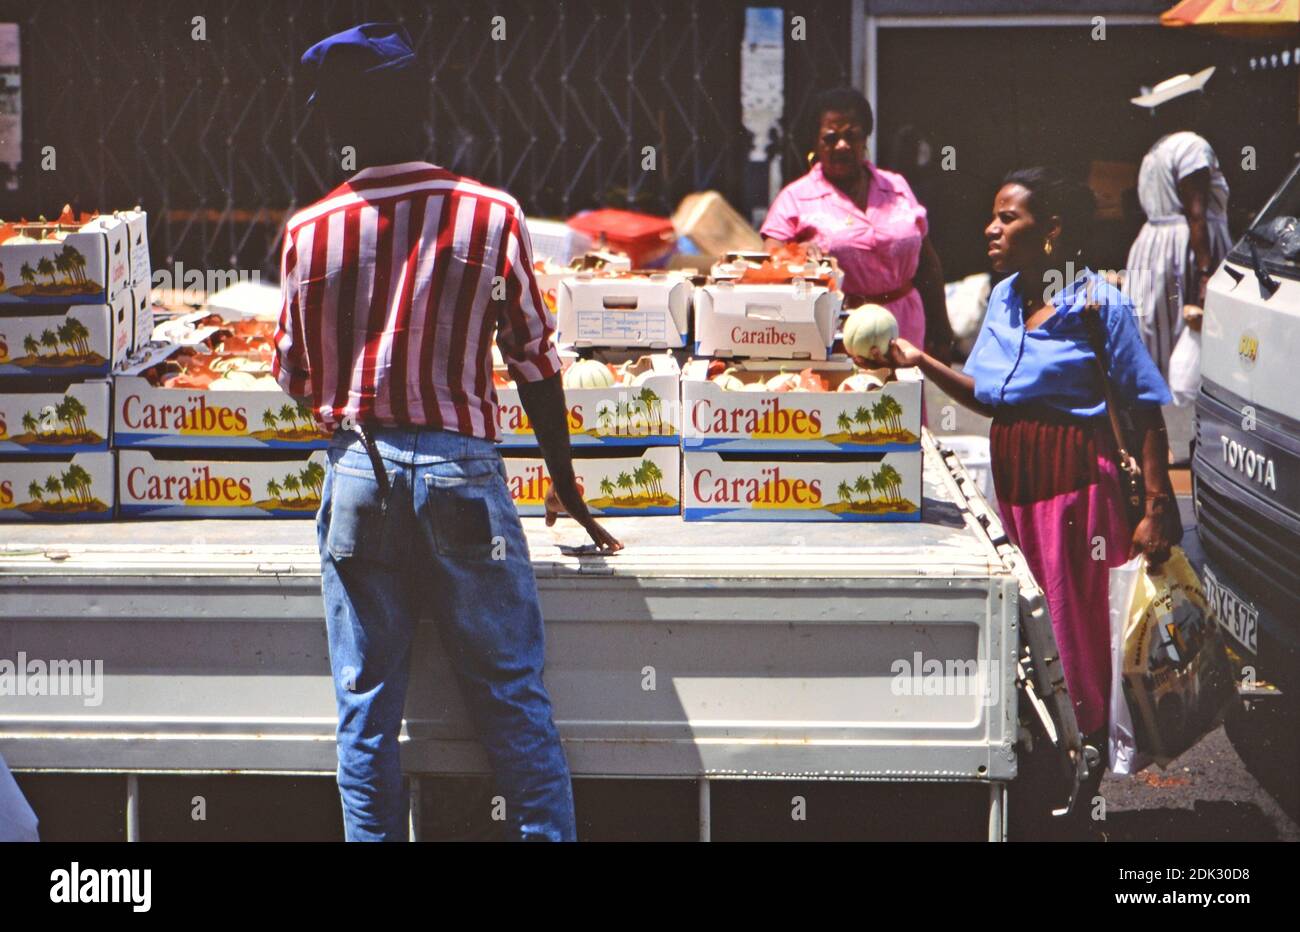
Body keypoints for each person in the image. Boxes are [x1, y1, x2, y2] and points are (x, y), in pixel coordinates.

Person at [278, 23, 621, 842]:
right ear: (420, 105)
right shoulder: (490, 213)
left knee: (365, 712)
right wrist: (564, 483)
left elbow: (296, 377)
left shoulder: (310, 231)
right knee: (510, 698)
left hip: (358, 475)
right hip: (462, 478)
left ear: (349, 121)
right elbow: (535, 359)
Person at [855, 167, 1183, 786]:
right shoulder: (1004, 297)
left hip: (1076, 485)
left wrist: (1158, 504)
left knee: (1073, 632)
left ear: (1052, 231)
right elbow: (987, 395)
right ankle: (1057, 764)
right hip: (1018, 484)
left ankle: (1083, 773)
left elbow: (1144, 407)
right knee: (1035, 632)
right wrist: (917, 359)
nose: (991, 227)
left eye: (1009, 218)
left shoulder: (1099, 304)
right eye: (995, 216)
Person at [761, 87, 953, 363]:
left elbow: (926, 262)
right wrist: (797, 253)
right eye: (830, 138)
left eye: (852, 135)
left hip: (904, 328)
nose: (842, 145)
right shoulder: (795, 198)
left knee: (902, 403)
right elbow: (771, 262)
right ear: (816, 143)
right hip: (839, 334)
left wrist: (941, 326)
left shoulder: (896, 187)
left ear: (865, 138)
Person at [1124, 67, 1231, 381]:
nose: (1205, 106)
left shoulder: (1156, 150)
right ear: (1186, 106)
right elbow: (1196, 213)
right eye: (1198, 100)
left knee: (1160, 327)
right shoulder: (1192, 146)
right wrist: (1205, 272)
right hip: (1188, 246)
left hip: (1152, 244)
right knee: (1197, 326)